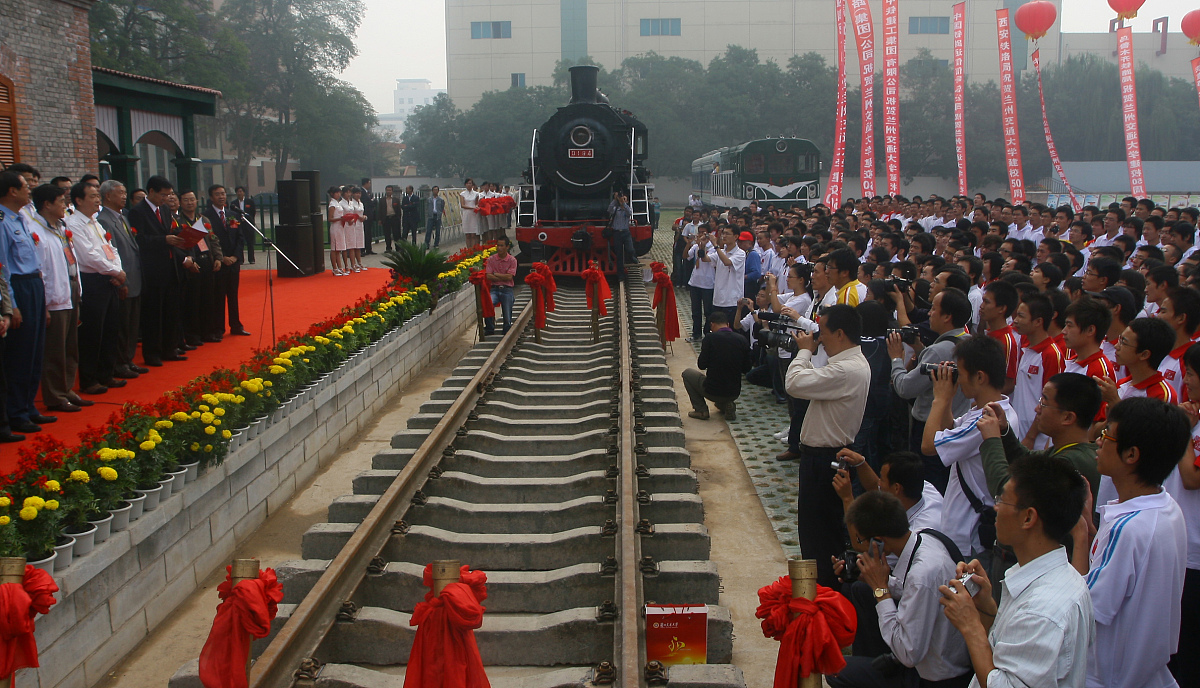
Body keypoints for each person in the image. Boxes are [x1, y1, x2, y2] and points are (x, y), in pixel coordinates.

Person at [937, 454, 1093, 688]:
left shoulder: (1040, 609)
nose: (996, 507)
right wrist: (987, 609)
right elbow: (1006, 655)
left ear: (1028, 517)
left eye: (1002, 500)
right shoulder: (1062, 578)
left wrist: (971, 626)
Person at [1082, 397, 1189, 688]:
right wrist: (1089, 531)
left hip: (1111, 677)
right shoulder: (1168, 508)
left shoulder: (1127, 529)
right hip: (1148, 674)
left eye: (1107, 435)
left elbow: (1087, 608)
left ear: (1131, 454)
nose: (1099, 441)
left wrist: (1078, 537)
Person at [828, 491, 972, 688]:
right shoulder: (926, 539)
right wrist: (870, 577)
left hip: (935, 677)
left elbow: (908, 654)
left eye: (860, 541)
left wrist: (881, 590)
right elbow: (910, 590)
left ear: (878, 541)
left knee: (836, 672)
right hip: (937, 655)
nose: (860, 547)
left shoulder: (921, 575)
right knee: (860, 589)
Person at [977, 372, 1103, 589]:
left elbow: (1006, 491)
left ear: (1068, 418)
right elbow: (1028, 461)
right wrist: (1004, 431)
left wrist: (992, 440)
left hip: (1034, 570)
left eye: (1044, 402)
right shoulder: (1070, 451)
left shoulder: (1070, 462)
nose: (1037, 409)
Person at [785, 304, 872, 586]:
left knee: (818, 536)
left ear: (840, 334)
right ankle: (824, 590)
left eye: (822, 333)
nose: (819, 339)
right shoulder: (851, 364)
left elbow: (794, 383)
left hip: (823, 460)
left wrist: (804, 352)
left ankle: (823, 594)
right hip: (826, 457)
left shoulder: (846, 370)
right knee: (821, 532)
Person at [923, 336, 1016, 569]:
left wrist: (939, 399)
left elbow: (929, 446)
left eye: (961, 373)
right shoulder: (996, 411)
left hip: (969, 536)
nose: (959, 378)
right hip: (969, 532)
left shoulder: (985, 421)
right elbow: (949, 430)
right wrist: (949, 398)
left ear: (980, 377)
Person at [889, 288, 973, 491]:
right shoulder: (968, 341)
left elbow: (905, 388)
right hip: (956, 425)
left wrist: (896, 359)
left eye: (934, 309)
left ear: (947, 316)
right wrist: (920, 349)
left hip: (929, 427)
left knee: (929, 486)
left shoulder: (938, 350)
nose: (929, 313)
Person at [0, 176, 54, 433]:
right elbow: (3, 268)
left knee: (34, 351)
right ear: (12, 190)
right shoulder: (3, 222)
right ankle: (16, 412)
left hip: (34, 284)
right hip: (18, 287)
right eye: (25, 186)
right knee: (20, 354)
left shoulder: (21, 218)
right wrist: (11, 305)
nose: (29, 191)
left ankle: (28, 405)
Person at [68, 181, 127, 395]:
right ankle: (89, 379)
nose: (97, 200)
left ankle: (106, 373)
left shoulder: (95, 222)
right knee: (92, 332)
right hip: (91, 281)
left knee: (110, 329)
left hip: (108, 278)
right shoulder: (74, 224)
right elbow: (88, 256)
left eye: (97, 196)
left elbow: (110, 248)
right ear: (79, 200)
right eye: (92, 196)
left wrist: (117, 270)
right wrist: (114, 271)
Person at [28, 183, 81, 413]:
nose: (64, 205)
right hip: (54, 296)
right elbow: (39, 269)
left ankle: (67, 388)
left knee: (70, 346)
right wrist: (45, 304)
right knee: (55, 350)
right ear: (47, 204)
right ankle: (55, 395)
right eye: (60, 201)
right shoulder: (35, 230)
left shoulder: (61, 226)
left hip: (70, 288)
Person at [97, 180, 147, 380]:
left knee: (132, 324)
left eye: (125, 192)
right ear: (108, 196)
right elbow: (111, 253)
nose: (124, 196)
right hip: (122, 279)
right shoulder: (104, 220)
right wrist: (121, 280)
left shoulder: (122, 217)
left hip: (135, 276)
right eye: (120, 192)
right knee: (122, 326)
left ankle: (128, 359)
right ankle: (119, 363)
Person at [1012, 293, 1066, 448]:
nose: (1015, 320)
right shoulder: (1027, 349)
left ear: (1038, 322)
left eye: (1021, 316)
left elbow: (1051, 400)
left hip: (1037, 440)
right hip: (1019, 431)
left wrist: (1031, 437)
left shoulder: (1051, 355)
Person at [682, 310, 752, 421]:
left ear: (712, 324)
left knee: (687, 374)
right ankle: (727, 404)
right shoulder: (742, 339)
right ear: (727, 324)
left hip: (712, 390)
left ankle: (701, 410)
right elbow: (747, 368)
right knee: (722, 397)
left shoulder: (710, 338)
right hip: (734, 392)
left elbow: (701, 365)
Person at [205, 185, 248, 337]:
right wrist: (221, 257)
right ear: (211, 197)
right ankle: (218, 328)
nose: (221, 197)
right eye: (217, 194)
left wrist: (235, 257)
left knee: (233, 295)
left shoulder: (232, 215)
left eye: (223, 194)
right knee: (218, 296)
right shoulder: (206, 217)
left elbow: (239, 237)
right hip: (218, 263)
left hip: (233, 262)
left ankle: (236, 326)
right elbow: (207, 241)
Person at [709, 225, 746, 323]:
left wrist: (715, 245)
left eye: (727, 234)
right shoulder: (721, 252)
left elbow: (727, 262)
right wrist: (702, 245)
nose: (724, 236)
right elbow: (706, 259)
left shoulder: (740, 253)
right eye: (723, 233)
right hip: (718, 298)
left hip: (731, 300)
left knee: (730, 328)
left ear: (736, 237)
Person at [686, 226, 716, 343]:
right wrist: (690, 243)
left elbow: (704, 258)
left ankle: (708, 333)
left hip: (708, 283)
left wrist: (703, 246)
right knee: (696, 311)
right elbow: (686, 256)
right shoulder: (695, 246)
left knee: (708, 311)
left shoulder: (713, 248)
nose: (701, 235)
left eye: (704, 233)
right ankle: (696, 334)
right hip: (695, 282)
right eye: (700, 233)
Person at [482, 236, 516, 335]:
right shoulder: (491, 259)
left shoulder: (512, 260)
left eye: (502, 246)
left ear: (507, 247)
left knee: (507, 310)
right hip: (494, 289)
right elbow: (488, 276)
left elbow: (509, 277)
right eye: (498, 245)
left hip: (507, 289)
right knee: (488, 304)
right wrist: (502, 277)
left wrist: (495, 274)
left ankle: (506, 327)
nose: (499, 248)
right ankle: (489, 328)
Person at [608, 191, 636, 276]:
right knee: (619, 255)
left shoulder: (627, 209)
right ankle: (620, 275)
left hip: (626, 232)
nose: (622, 200)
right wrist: (615, 200)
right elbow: (609, 209)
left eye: (624, 199)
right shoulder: (615, 209)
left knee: (630, 249)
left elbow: (629, 213)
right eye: (622, 198)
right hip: (617, 233)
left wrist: (623, 203)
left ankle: (632, 257)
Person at [231, 186, 256, 263]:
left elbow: (253, 212)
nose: (239, 193)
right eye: (238, 191)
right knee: (240, 242)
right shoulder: (234, 203)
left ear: (244, 192)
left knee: (250, 242)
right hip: (239, 224)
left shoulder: (250, 202)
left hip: (248, 224)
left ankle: (251, 259)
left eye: (241, 191)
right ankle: (240, 259)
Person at [327, 186, 348, 276]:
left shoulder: (337, 203)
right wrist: (340, 218)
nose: (338, 194)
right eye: (337, 193)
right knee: (334, 248)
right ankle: (334, 268)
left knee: (339, 249)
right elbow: (330, 218)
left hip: (340, 227)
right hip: (335, 227)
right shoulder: (332, 204)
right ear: (332, 194)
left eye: (339, 193)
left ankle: (340, 267)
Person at [459, 178, 482, 248]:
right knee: (467, 235)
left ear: (472, 185)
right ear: (465, 184)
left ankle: (473, 250)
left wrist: (476, 207)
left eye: (470, 183)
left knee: (473, 235)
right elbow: (462, 205)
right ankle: (468, 250)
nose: (469, 185)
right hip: (466, 214)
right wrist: (472, 208)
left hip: (474, 215)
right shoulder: (462, 194)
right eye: (467, 183)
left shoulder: (476, 194)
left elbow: (477, 203)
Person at [380, 185, 401, 251]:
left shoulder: (396, 200)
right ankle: (388, 248)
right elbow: (380, 210)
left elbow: (399, 210)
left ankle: (398, 248)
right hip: (386, 218)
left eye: (390, 190)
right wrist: (380, 219)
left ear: (392, 191)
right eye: (387, 190)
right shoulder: (382, 200)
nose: (388, 191)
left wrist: (399, 218)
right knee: (387, 234)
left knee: (396, 234)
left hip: (394, 218)